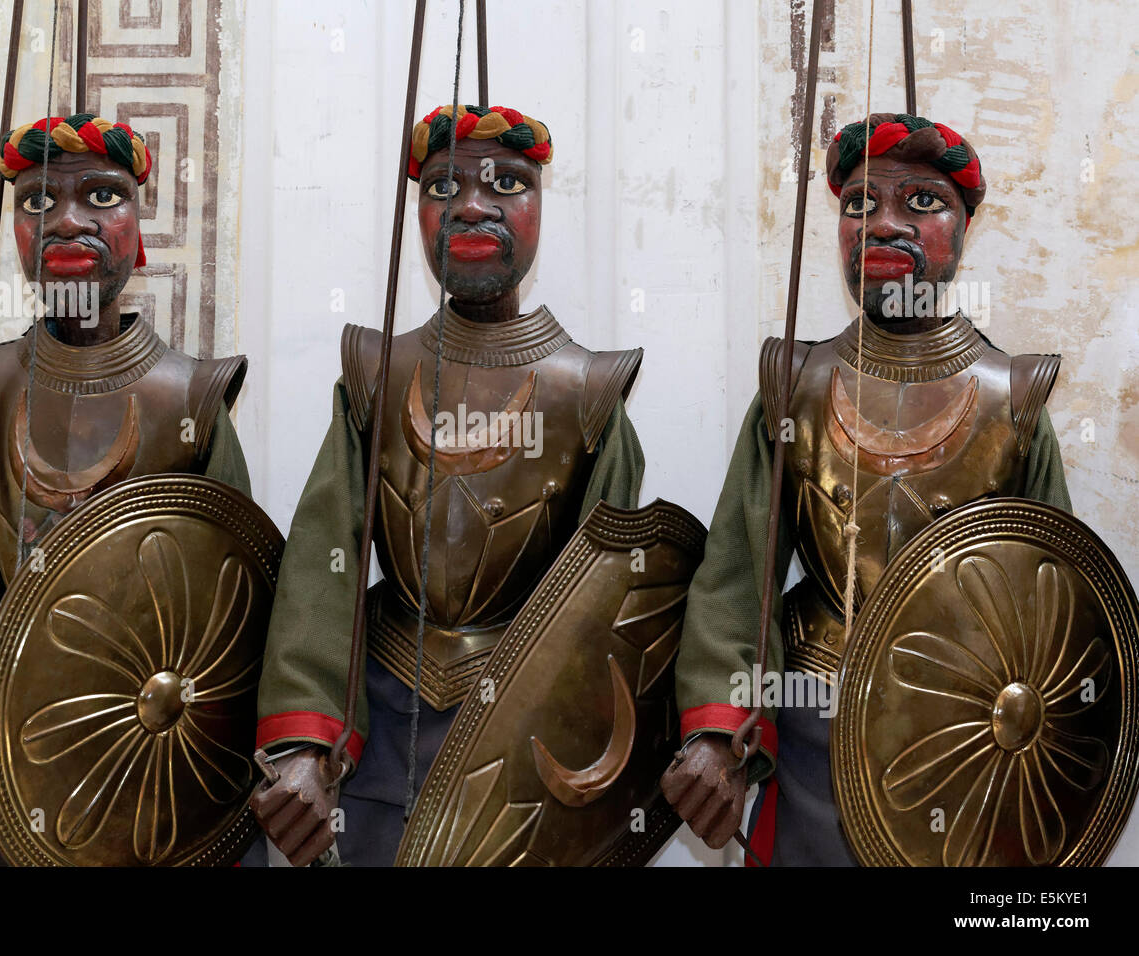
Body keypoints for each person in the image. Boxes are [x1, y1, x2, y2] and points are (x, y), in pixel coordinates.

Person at [662, 113, 1071, 865]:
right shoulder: (796, 386)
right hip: (815, 738)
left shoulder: (1013, 402)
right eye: (859, 204)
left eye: (921, 203)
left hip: (971, 748)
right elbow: (737, 576)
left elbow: (1055, 612)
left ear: (965, 226)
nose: (883, 225)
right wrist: (721, 728)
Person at [251, 105, 645, 866]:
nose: (471, 205)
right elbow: (321, 567)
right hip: (383, 714)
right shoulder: (378, 372)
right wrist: (307, 739)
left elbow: (608, 616)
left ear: (539, 206)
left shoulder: (589, 389)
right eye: (443, 185)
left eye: (508, 183)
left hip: (527, 739)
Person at [0, 113, 252, 865]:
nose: (68, 220)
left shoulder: (194, 400)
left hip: (170, 787)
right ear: (16, 236)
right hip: (19, 767)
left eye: (102, 196)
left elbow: (232, 620)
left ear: (137, 230)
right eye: (36, 201)